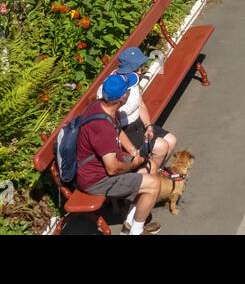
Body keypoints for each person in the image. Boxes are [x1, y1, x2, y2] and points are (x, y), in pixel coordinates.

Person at [75, 72, 162, 235]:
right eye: (129, 90)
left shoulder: (101, 106)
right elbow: (112, 169)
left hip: (99, 166)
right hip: (96, 180)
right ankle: (137, 230)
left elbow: (117, 130)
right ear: (123, 97)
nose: (131, 92)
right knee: (154, 184)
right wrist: (133, 164)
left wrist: (133, 151)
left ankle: (130, 221)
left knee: (151, 166)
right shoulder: (101, 127)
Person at [113, 47, 179, 206]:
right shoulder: (116, 86)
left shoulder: (133, 79)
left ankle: (154, 175)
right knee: (162, 146)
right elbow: (115, 125)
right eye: (139, 66)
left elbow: (141, 105)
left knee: (171, 140)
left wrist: (148, 125)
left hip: (139, 124)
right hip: (124, 131)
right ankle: (150, 187)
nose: (142, 69)